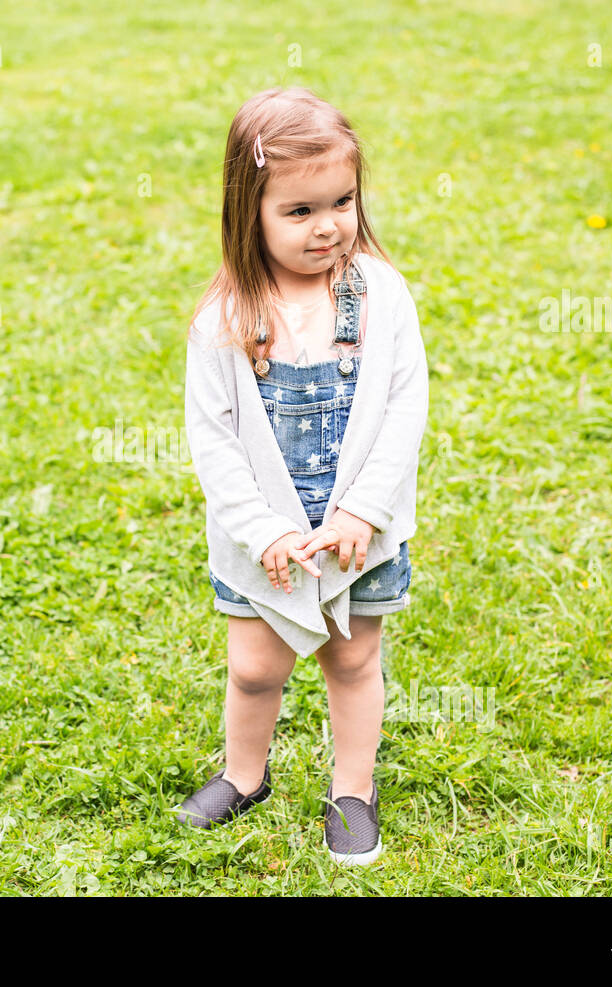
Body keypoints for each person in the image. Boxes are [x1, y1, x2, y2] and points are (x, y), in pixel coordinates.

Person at [177, 87, 429, 865]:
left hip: (359, 531)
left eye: (343, 201)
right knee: (254, 667)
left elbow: (402, 408)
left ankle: (353, 789)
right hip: (268, 533)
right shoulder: (224, 318)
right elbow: (214, 442)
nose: (329, 226)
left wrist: (362, 509)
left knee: (353, 657)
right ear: (246, 212)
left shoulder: (380, 296)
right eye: (300, 211)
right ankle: (244, 774)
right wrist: (265, 530)